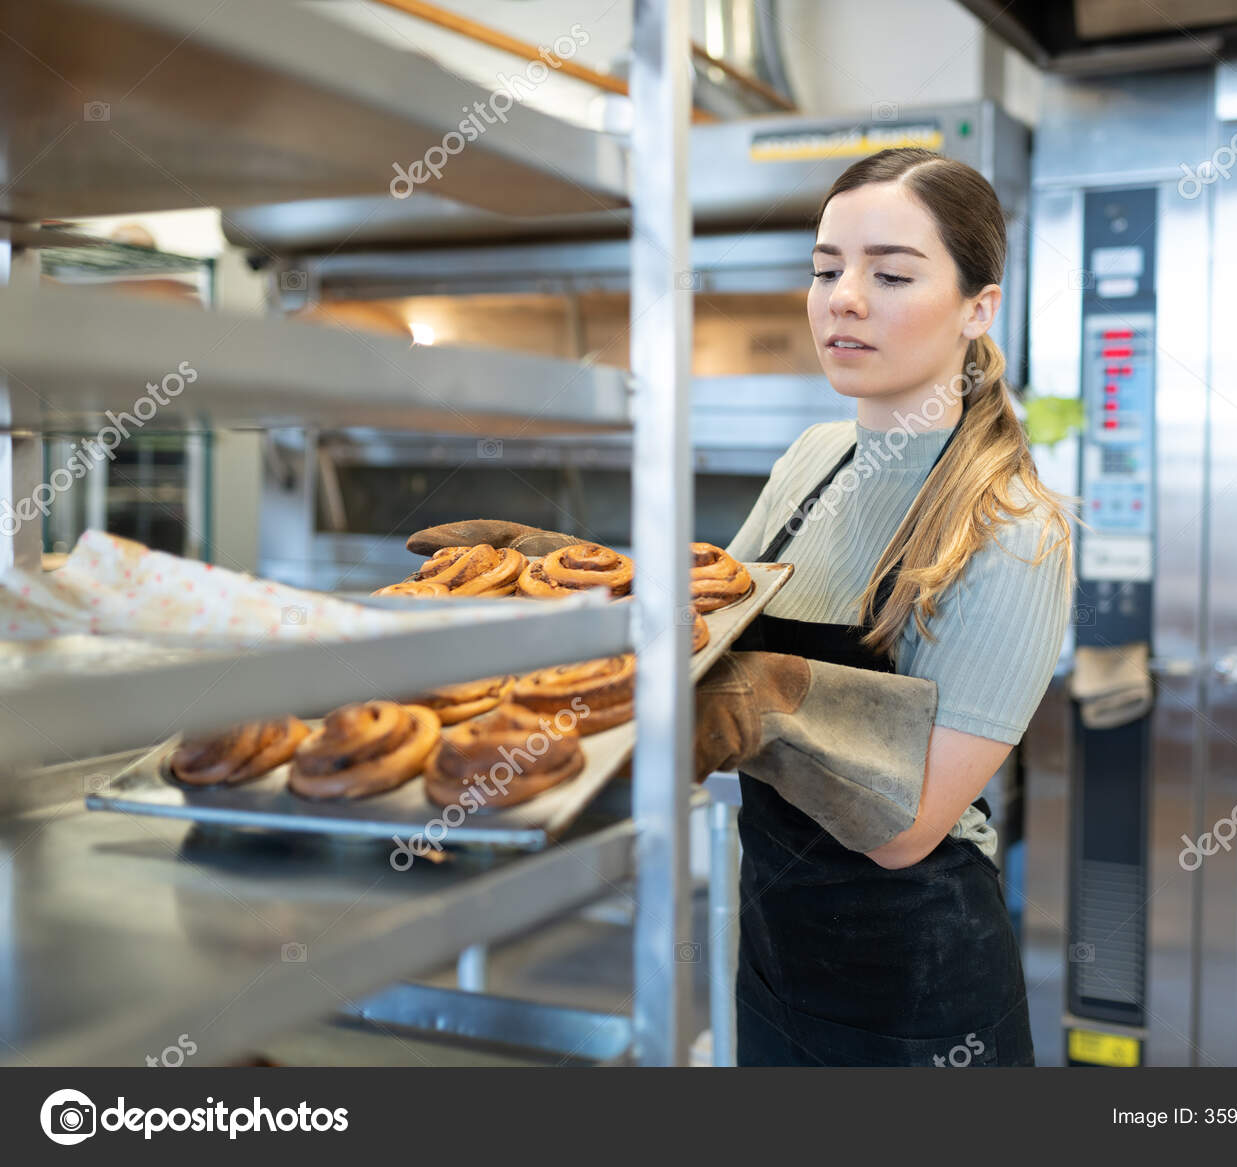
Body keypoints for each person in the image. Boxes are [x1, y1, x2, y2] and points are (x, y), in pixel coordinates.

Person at [408, 147, 1072, 1067]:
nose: (843, 296)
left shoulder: (1012, 528)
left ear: (978, 307)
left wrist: (754, 705)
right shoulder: (813, 456)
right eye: (825, 267)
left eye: (890, 273)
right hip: (775, 948)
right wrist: (571, 577)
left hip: (918, 979)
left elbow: (910, 823)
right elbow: (714, 613)